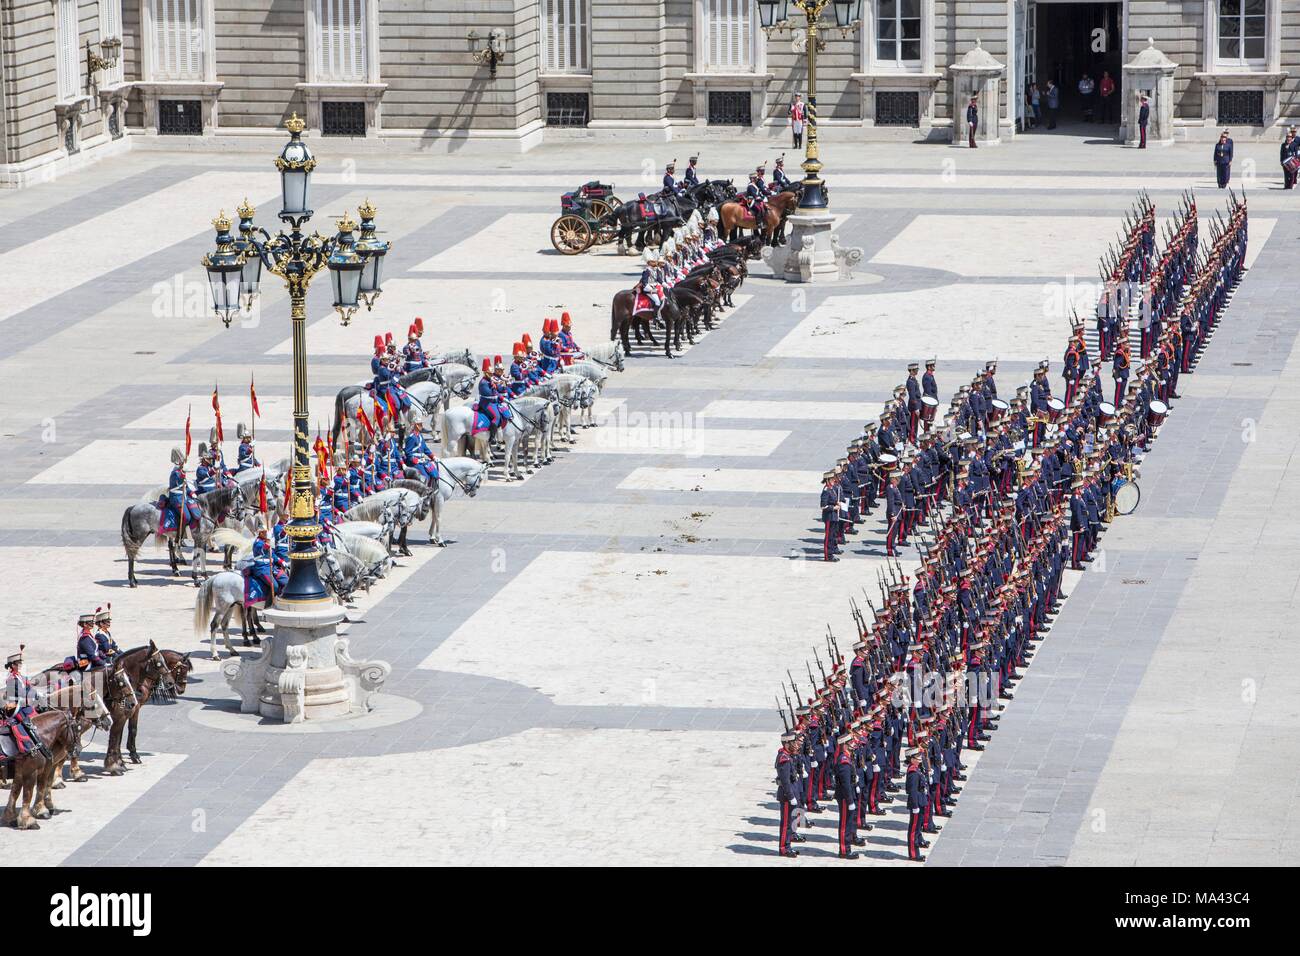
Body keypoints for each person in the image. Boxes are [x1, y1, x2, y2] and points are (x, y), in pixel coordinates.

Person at [2, 647, 49, 758]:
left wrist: (38, 694)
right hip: (17, 707)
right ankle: (29, 746)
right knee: (29, 724)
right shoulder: (11, 679)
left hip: (26, 705)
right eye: (18, 663)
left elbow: (29, 688)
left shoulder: (21, 677)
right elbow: (16, 697)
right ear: (12, 665)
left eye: (20, 663)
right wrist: (30, 698)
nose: (20, 665)